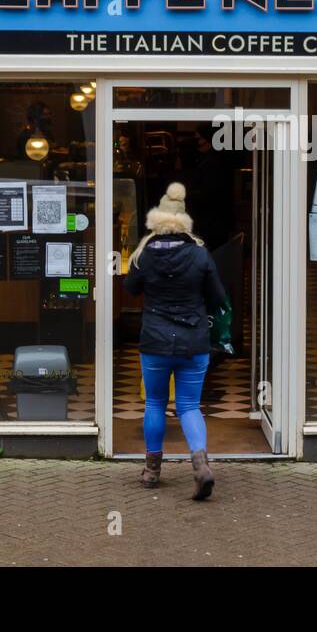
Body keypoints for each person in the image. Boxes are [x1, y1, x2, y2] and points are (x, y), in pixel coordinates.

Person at [123, 182, 229, 499]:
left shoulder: (145, 255)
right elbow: (219, 298)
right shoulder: (200, 256)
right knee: (188, 406)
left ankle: (152, 472)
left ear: (157, 222)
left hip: (155, 342)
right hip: (193, 342)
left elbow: (129, 289)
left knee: (155, 403)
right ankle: (201, 466)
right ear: (185, 223)